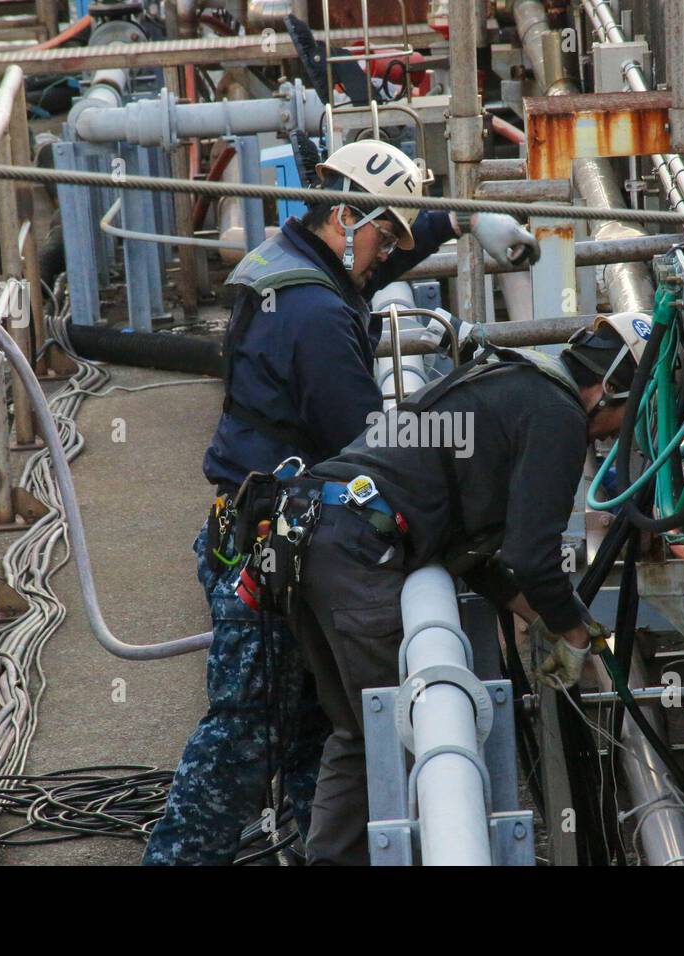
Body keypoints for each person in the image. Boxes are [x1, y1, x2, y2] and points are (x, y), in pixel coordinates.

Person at [143, 138, 541, 865]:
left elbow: (370, 264)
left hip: (255, 529)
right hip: (266, 551)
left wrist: (451, 222)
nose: (384, 255)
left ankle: (316, 852)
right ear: (348, 216)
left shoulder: (294, 258)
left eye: (395, 238)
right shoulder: (317, 317)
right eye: (382, 235)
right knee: (245, 733)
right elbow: (368, 447)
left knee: (307, 724)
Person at [284, 317, 645, 864]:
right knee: (405, 745)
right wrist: (573, 631)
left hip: (315, 533)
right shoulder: (558, 416)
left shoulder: (508, 379)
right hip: (361, 552)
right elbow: (532, 555)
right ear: (609, 389)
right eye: (624, 416)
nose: (615, 433)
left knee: (361, 736)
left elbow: (465, 535)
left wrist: (536, 613)